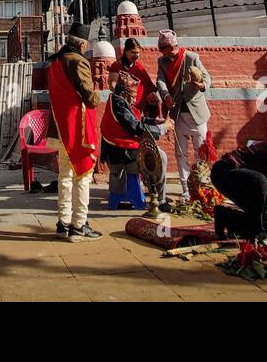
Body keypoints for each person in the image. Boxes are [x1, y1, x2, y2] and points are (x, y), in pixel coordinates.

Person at [47, 22, 103, 241]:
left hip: (60, 126)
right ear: (81, 44)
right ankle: (79, 225)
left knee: (65, 176)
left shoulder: (55, 62)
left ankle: (63, 221)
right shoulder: (78, 62)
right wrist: (98, 97)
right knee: (83, 175)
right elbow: (90, 97)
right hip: (76, 128)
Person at [100, 69, 173, 210]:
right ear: (123, 93)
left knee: (158, 154)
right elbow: (135, 126)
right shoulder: (118, 104)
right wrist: (163, 128)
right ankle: (159, 198)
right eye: (132, 96)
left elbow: (136, 118)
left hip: (123, 150)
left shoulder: (118, 101)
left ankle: (156, 194)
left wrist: (156, 121)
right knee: (160, 157)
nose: (134, 100)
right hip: (120, 154)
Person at [155, 29, 210, 201]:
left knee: (201, 151)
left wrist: (200, 84)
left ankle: (201, 186)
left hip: (196, 112)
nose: (161, 52)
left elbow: (207, 79)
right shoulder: (162, 61)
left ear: (171, 46)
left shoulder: (191, 57)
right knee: (181, 153)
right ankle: (186, 188)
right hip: (177, 113)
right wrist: (165, 95)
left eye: (163, 48)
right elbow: (160, 80)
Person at [107, 37, 159, 115]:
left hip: (138, 109)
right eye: (133, 52)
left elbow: (148, 87)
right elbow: (112, 85)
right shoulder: (117, 66)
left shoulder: (139, 67)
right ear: (125, 51)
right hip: (123, 108)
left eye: (137, 53)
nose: (136, 55)